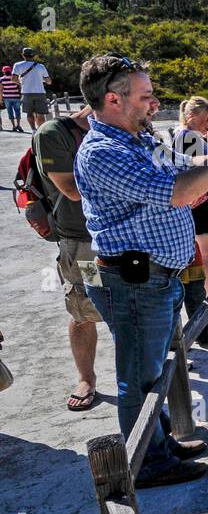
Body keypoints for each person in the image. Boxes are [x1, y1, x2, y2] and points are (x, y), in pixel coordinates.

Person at [73, 56, 208, 488]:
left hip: (156, 277)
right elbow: (176, 190)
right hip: (134, 281)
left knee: (154, 368)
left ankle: (160, 442)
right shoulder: (103, 153)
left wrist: (206, 170)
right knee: (137, 377)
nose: (156, 104)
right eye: (146, 96)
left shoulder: (139, 139)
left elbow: (185, 174)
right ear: (113, 100)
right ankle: (147, 462)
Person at [32, 105, 101, 410]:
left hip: (127, 239)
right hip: (83, 241)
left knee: (139, 305)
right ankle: (86, 378)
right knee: (84, 310)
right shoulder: (54, 134)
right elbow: (71, 190)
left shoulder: (129, 127)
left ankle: (151, 372)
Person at [173, 97, 208, 299]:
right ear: (191, 116)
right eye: (207, 120)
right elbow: (197, 169)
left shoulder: (187, 135)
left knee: (203, 256)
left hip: (206, 203)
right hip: (205, 205)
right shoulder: (188, 137)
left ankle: (207, 295)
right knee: (206, 256)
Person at [12, 48, 52, 131]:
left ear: (23, 55)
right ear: (34, 55)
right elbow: (49, 81)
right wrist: (41, 80)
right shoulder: (41, 66)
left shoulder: (18, 65)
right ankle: (41, 130)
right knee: (40, 114)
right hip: (40, 92)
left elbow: (13, 79)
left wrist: (21, 83)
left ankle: (33, 130)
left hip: (26, 92)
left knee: (29, 113)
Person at [1, 65, 22, 131]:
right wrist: (21, 95)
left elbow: (1, 90)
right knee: (17, 111)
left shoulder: (1, 79)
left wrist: (1, 99)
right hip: (16, 97)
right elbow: (20, 87)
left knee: (10, 112)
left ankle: (13, 126)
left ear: (3, 72)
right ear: (11, 71)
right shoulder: (15, 78)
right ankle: (18, 125)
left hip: (7, 98)